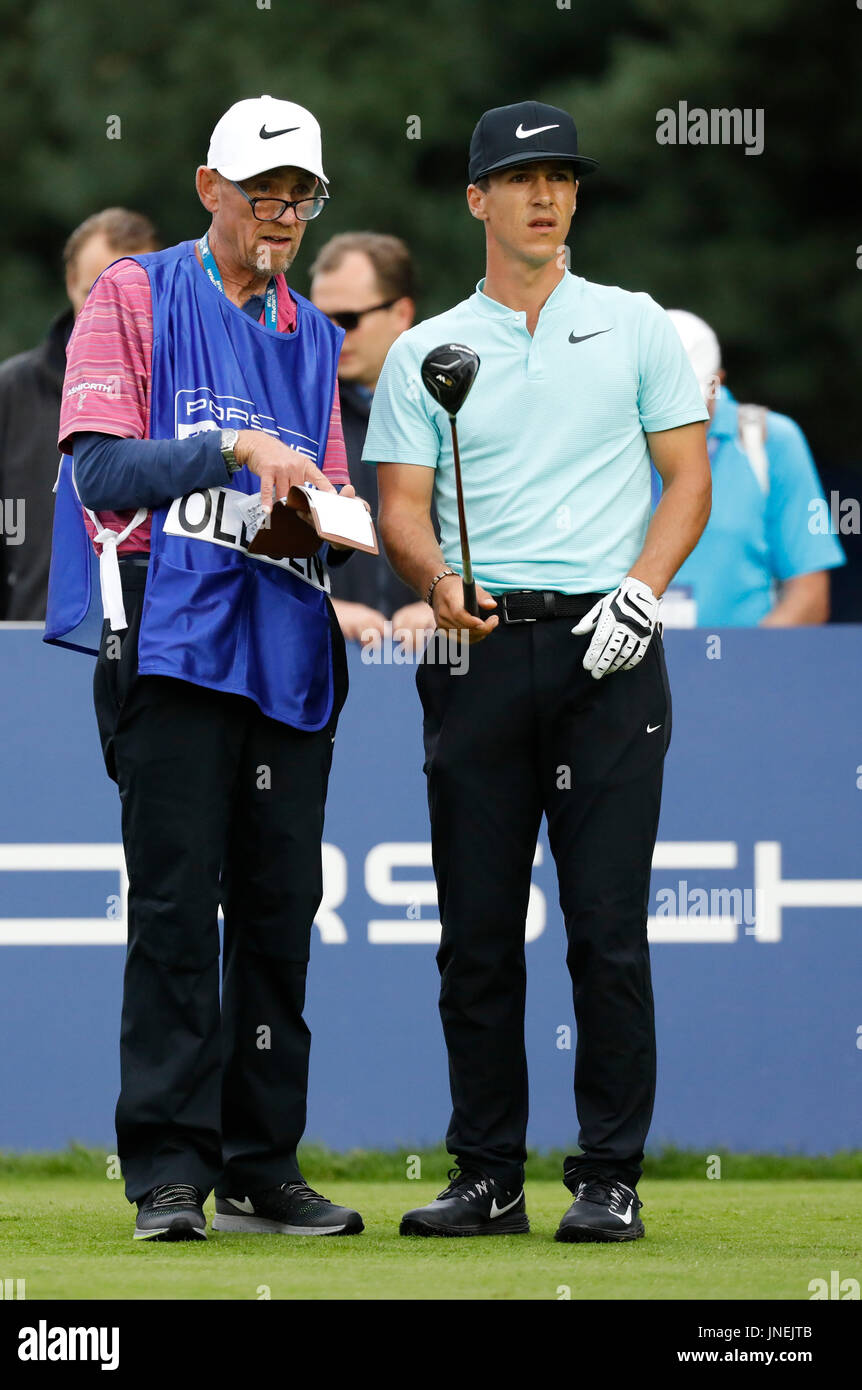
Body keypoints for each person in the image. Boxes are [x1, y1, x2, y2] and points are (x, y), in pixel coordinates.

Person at [364, 101, 711, 1242]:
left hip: (610, 646)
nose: (546, 196)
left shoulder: (637, 325)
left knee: (605, 925)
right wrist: (435, 580)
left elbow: (687, 480)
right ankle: (487, 1175)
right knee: (474, 928)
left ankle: (608, 1175)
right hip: (476, 645)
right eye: (521, 179)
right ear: (478, 200)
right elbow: (403, 510)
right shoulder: (424, 350)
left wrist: (643, 591)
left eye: (561, 177)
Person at [44, 95, 365, 1241]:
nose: (282, 212)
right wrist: (231, 447)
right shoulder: (133, 293)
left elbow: (315, 510)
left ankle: (261, 1164)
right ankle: (169, 1171)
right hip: (168, 646)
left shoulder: (318, 338)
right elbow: (99, 473)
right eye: (262, 190)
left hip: (284, 653)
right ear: (208, 187)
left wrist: (336, 527)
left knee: (281, 918)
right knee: (177, 915)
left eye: (301, 195)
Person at [0, 209, 158, 619]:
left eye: (132, 297)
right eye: (97, 292)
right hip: (28, 638)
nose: (112, 310)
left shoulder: (182, 392)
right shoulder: (11, 388)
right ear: (71, 283)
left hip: (151, 641)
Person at [664, 310, 844, 626]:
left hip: (743, 671)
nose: (673, 411)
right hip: (628, 669)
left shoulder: (771, 441)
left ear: (716, 382)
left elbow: (809, 595)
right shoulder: (609, 445)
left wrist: (743, 665)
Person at [309, 232, 434, 645]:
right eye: (317, 319)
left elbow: (505, 538)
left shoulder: (459, 415)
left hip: (449, 663)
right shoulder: (290, 417)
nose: (331, 335)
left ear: (401, 313)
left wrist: (447, 596)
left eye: (347, 319)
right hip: (327, 667)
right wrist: (321, 607)